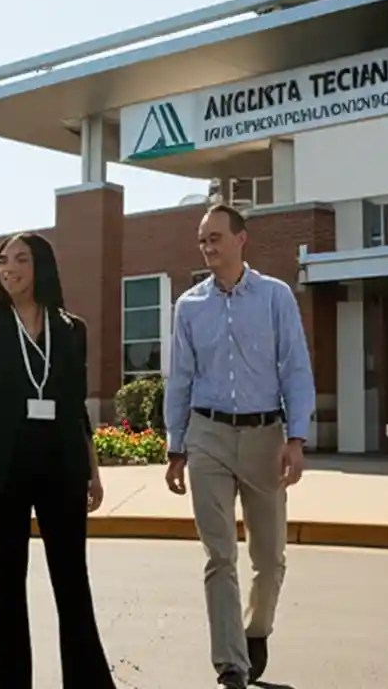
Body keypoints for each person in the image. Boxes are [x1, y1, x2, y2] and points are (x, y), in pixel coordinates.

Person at [0, 232, 115, 689]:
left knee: (72, 581)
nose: (9, 268)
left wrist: (93, 470)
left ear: (41, 268)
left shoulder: (71, 329)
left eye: (21, 260)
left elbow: (76, 407)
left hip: (62, 466)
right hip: (2, 467)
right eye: (3, 261)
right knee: (6, 584)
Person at [163, 204, 315, 689]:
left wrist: (296, 437)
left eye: (216, 237)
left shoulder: (275, 297)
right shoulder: (189, 305)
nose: (208, 246)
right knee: (219, 554)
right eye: (202, 239)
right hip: (207, 435)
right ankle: (230, 662)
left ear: (241, 239)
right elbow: (181, 378)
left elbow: (295, 367)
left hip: (265, 436)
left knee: (269, 559)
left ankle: (256, 630)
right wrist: (175, 447)